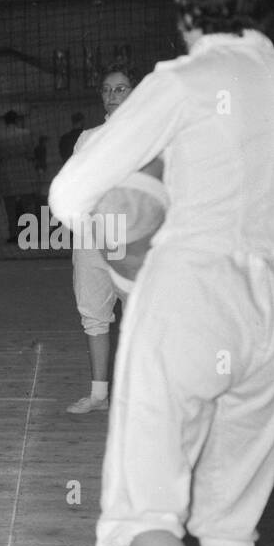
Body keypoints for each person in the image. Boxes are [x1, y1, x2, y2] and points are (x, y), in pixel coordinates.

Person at [48, 0, 274, 546]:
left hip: (190, 300)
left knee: (140, 511)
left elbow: (72, 195)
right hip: (268, 312)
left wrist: (145, 196)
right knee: (230, 519)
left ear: (188, 7)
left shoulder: (182, 79)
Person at [64, 68, 165, 416]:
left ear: (134, 92)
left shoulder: (154, 137)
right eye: (107, 89)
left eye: (121, 88)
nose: (113, 94)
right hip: (92, 238)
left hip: (133, 240)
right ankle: (99, 394)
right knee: (93, 315)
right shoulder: (87, 138)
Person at [0, 110, 35, 244]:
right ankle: (30, 233)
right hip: (24, 170)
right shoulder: (26, 134)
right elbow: (30, 153)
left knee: (10, 208)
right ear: (17, 120)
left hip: (6, 172)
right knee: (28, 204)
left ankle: (13, 234)